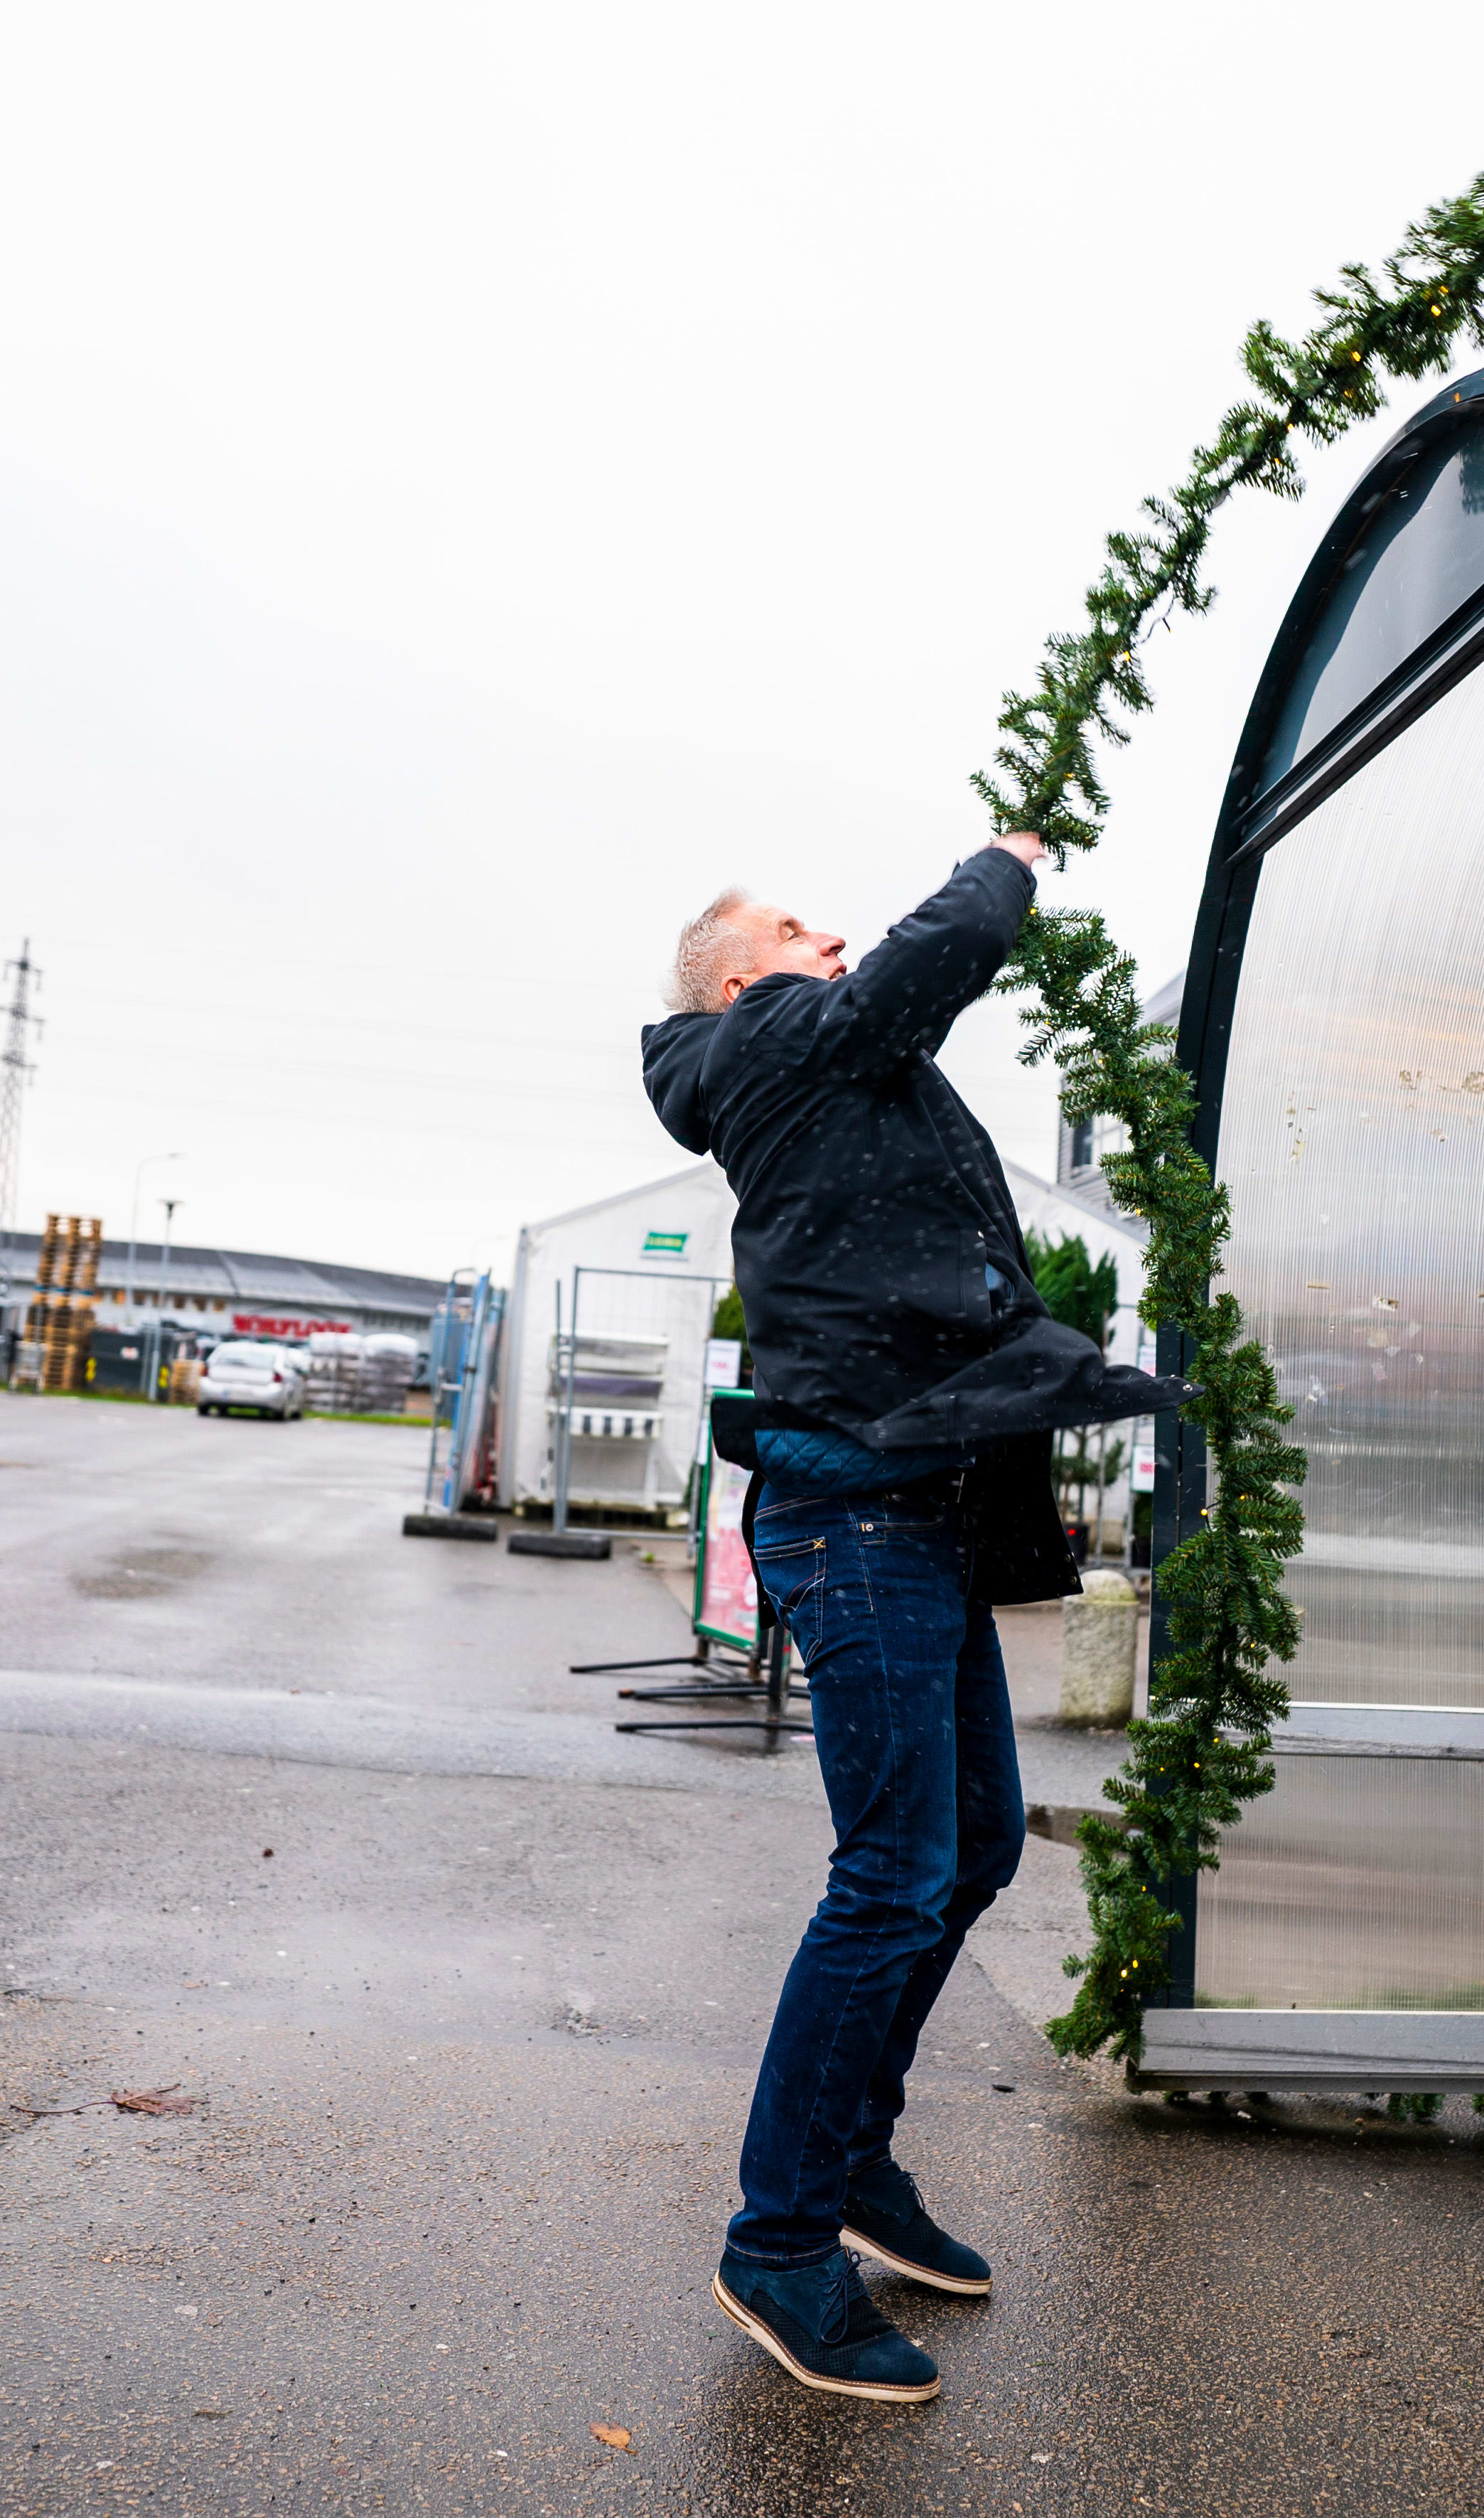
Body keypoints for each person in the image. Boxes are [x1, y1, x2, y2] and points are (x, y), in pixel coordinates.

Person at [640, 835, 1183, 2404]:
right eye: (795, 926)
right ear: (739, 979)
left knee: (981, 1847)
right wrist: (1006, 861)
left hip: (924, 1507)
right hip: (857, 1512)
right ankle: (781, 2242)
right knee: (889, 1878)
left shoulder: (832, 1072)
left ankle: (854, 2161)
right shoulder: (760, 1042)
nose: (831, 934)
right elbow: (916, 972)